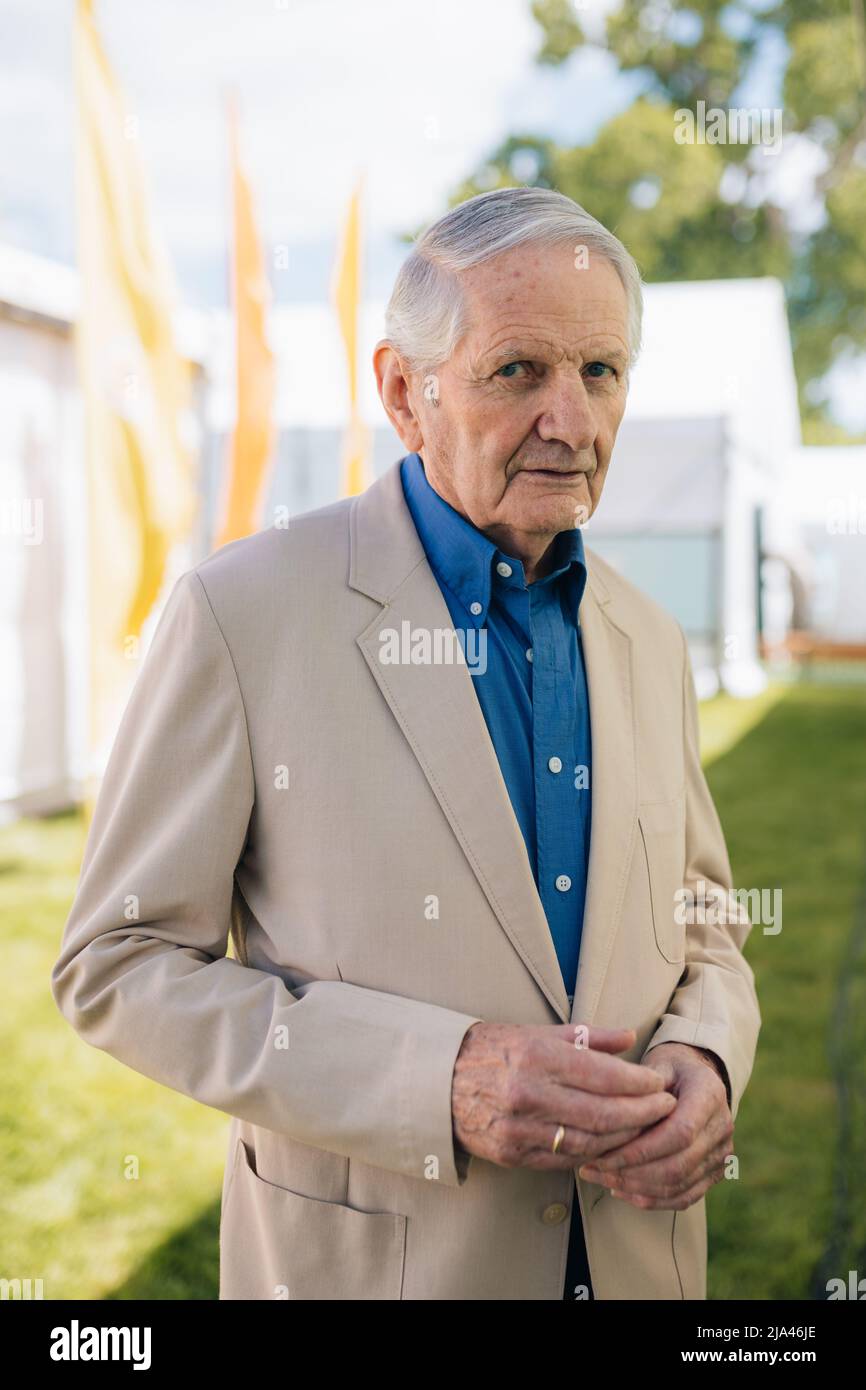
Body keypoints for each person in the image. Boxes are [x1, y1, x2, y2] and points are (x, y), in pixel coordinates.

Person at [52, 186, 760, 1299]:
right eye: (518, 370)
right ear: (402, 391)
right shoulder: (246, 613)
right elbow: (116, 965)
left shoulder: (649, 636)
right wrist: (440, 1079)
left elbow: (706, 924)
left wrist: (707, 1056)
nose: (570, 420)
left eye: (600, 372)